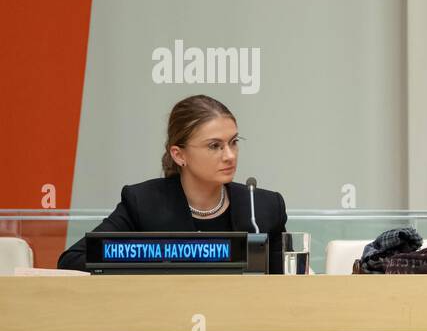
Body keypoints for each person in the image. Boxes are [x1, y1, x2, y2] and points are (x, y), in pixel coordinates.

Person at [58, 95, 289, 272]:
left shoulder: (262, 207)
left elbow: (289, 279)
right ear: (179, 155)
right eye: (214, 146)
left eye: (233, 142)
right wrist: (165, 255)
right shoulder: (144, 202)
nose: (230, 155)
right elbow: (73, 260)